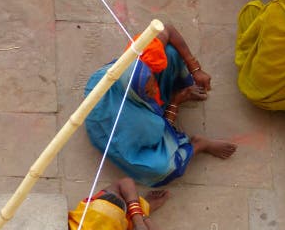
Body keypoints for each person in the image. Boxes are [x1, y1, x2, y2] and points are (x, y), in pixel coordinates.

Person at [85, 23, 237, 187]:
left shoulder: (137, 63)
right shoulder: (137, 122)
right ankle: (199, 145)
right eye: (149, 92)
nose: (154, 91)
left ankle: (177, 86)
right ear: (137, 95)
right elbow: (159, 134)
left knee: (169, 53)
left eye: (152, 82)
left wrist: (195, 69)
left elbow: (166, 28)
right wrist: (175, 101)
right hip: (124, 135)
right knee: (162, 168)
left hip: (131, 97)